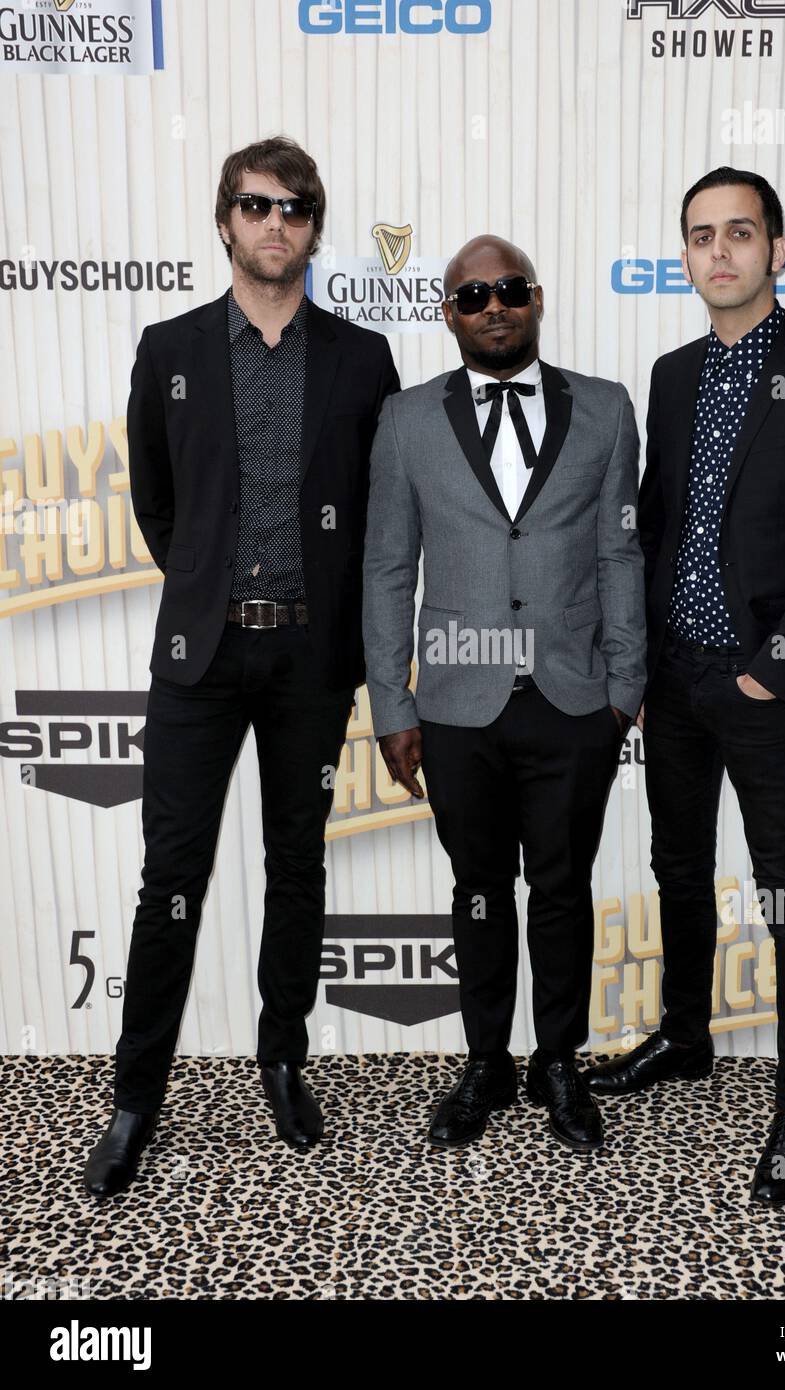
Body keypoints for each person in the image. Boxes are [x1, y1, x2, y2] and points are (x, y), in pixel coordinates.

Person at [83, 135, 400, 1198]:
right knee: (170, 876)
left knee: (297, 863)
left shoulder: (361, 360)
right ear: (224, 219)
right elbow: (161, 507)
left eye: (296, 207)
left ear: (315, 224)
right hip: (201, 658)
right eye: (256, 206)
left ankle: (281, 1057)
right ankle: (136, 1098)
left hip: (311, 659)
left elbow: (375, 522)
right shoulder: (167, 348)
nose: (276, 224)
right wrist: (216, 588)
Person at [585, 168, 785, 1204]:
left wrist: (774, 666)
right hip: (674, 677)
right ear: (684, 257)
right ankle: (684, 1038)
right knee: (676, 868)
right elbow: (656, 520)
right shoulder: (670, 377)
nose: (719, 252)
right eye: (701, 236)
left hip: (766, 685)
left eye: (739, 234)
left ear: (776, 249)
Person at [362, 235, 645, 1152]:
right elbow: (385, 570)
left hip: (572, 702)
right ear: (448, 312)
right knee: (479, 887)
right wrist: (393, 706)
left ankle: (556, 1060)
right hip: (454, 704)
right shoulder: (405, 420)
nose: (494, 304)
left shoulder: (604, 410)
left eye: (510, 288)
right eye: (473, 293)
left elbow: (617, 553)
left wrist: (625, 688)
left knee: (561, 889)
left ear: (536, 299)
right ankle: (486, 1060)